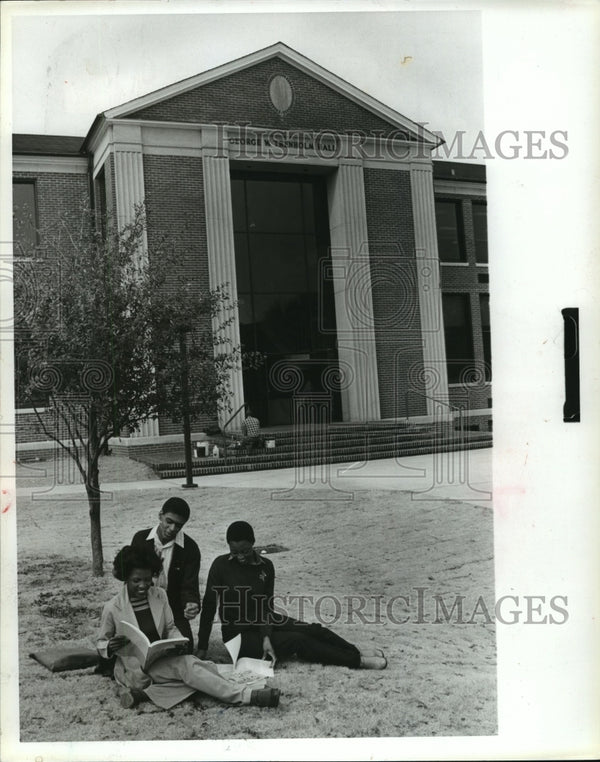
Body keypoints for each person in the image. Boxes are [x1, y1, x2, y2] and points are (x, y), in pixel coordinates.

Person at [96, 544, 280, 710]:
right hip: (135, 669)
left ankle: (143, 695)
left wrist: (177, 642)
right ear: (125, 578)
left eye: (147, 579)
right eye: (136, 581)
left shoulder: (159, 595)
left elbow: (169, 627)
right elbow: (101, 642)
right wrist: (109, 647)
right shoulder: (113, 607)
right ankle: (246, 695)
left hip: (160, 660)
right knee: (193, 668)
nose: (143, 585)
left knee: (195, 671)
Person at [197, 521, 387, 670]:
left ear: (254, 544)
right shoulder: (220, 565)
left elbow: (266, 607)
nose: (240, 557)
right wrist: (203, 645)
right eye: (234, 552)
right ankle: (358, 661)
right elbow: (209, 606)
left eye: (245, 551)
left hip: (263, 620)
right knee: (298, 640)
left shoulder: (266, 566)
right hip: (238, 636)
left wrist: (266, 637)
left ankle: (353, 649)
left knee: (313, 629)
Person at [131, 497, 200, 652]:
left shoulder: (190, 548)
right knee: (139, 648)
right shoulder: (140, 540)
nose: (172, 528)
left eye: (178, 525)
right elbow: (130, 580)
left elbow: (190, 587)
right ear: (160, 515)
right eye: (169, 521)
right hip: (143, 607)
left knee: (184, 648)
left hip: (174, 611)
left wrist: (191, 604)